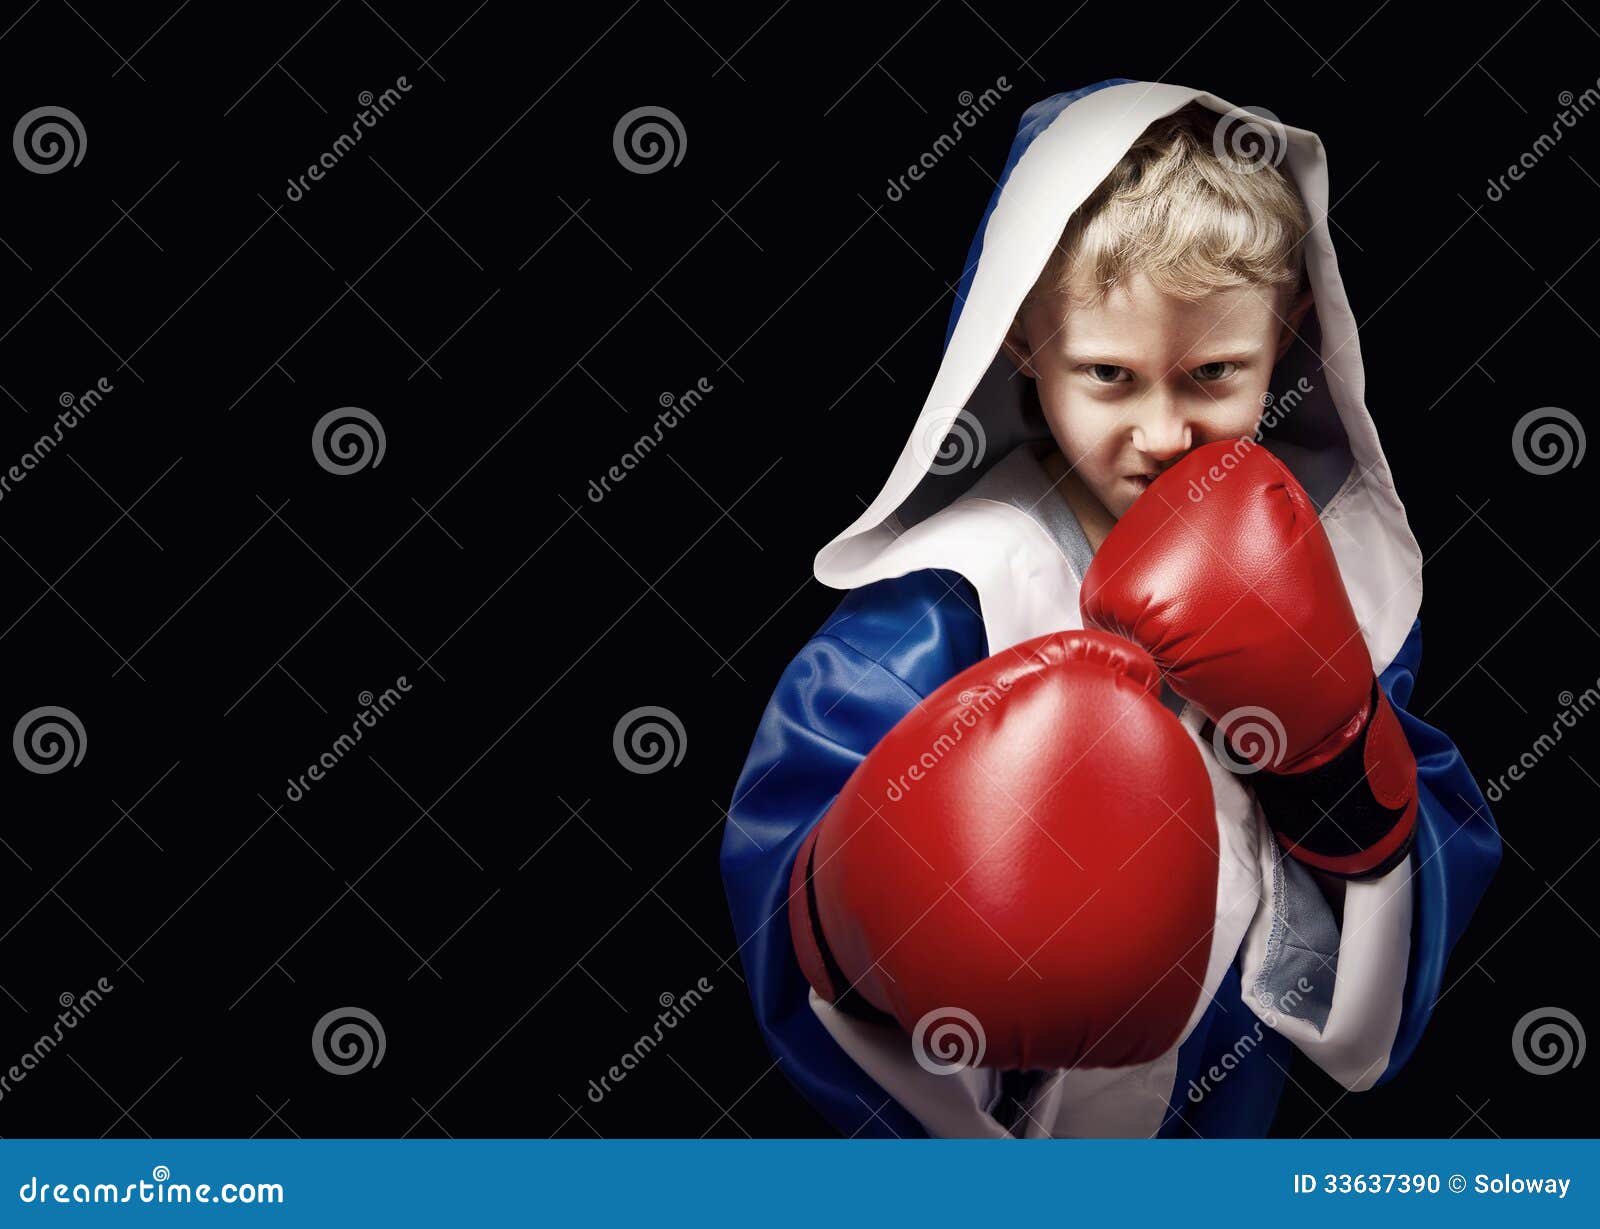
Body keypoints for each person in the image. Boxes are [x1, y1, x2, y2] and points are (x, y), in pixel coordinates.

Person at [720, 80, 1501, 1138]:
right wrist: (874, 933)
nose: (1162, 429)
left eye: (1215, 373)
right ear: (1019, 345)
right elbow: (784, 884)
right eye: (1107, 375)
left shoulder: (1335, 577)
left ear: (1290, 335)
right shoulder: (945, 607)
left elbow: (1422, 871)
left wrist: (1338, 773)